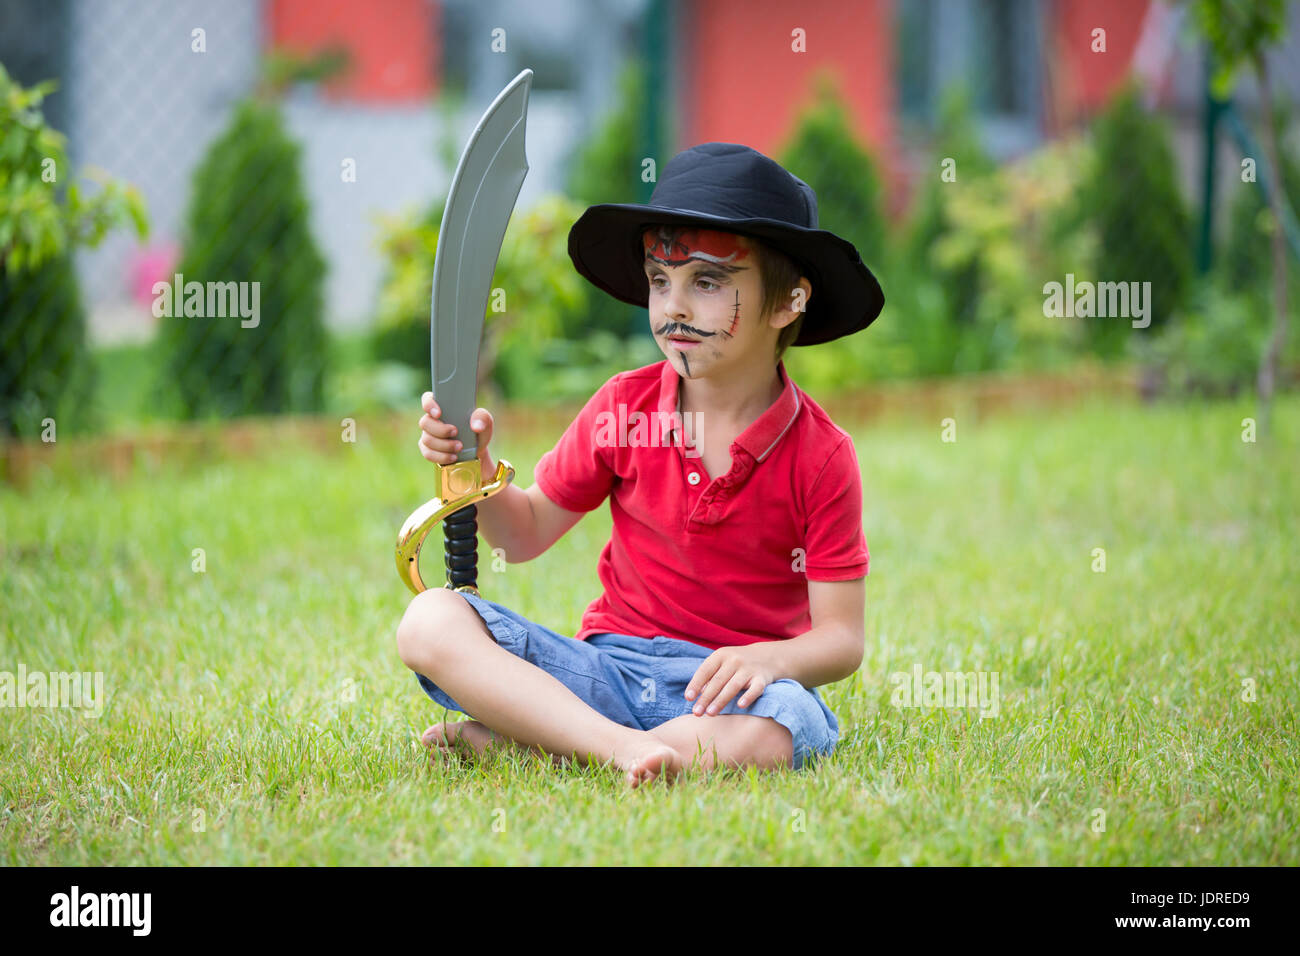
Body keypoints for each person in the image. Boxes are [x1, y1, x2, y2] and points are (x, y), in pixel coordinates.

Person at [397, 142, 884, 788]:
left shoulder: (822, 456)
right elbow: (525, 531)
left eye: (706, 282)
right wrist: (476, 466)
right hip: (604, 675)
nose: (673, 307)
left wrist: (769, 661)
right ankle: (616, 746)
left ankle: (547, 741)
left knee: (788, 723)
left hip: (724, 696)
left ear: (787, 302)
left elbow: (841, 641)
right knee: (429, 620)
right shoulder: (622, 408)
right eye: (660, 281)